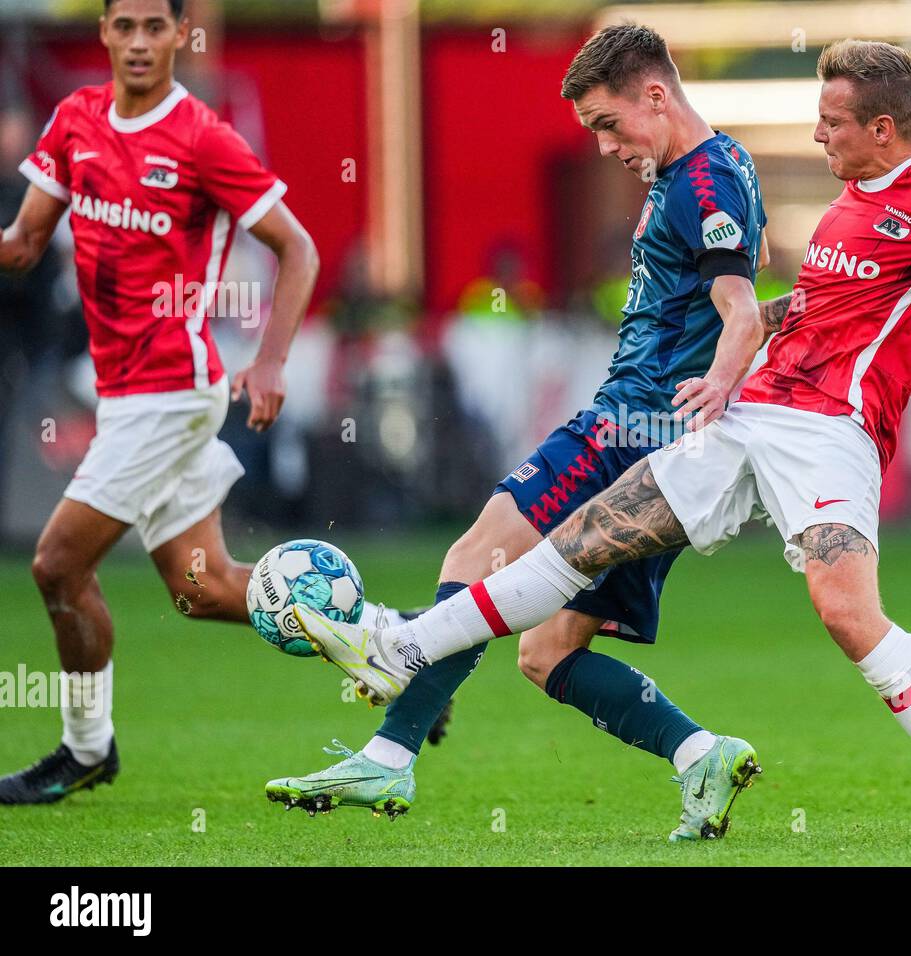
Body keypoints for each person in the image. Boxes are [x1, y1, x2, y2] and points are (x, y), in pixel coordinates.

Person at [297, 39, 911, 845]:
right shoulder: (848, 204)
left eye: (834, 121)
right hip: (746, 417)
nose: (818, 132)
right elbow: (800, 313)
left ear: (882, 129)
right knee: (583, 537)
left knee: (846, 612)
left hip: (829, 431)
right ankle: (401, 645)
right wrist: (730, 359)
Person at [267, 23, 772, 840]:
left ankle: (389, 743)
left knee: (472, 558)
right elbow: (735, 305)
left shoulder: (702, 181)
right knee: (546, 654)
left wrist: (714, 386)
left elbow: (739, 315)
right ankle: (700, 756)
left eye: (610, 125)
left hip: (627, 429)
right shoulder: (717, 166)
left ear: (656, 94)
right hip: (665, 446)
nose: (606, 147)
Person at [0, 0, 342, 804]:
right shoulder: (75, 120)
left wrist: (271, 362)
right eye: (127, 26)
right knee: (206, 589)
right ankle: (390, 641)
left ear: (181, 36)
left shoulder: (203, 137)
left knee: (56, 564)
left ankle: (85, 748)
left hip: (174, 389)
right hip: (124, 393)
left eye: (158, 27)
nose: (142, 42)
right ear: (106, 35)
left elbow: (298, 248)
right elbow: (20, 246)